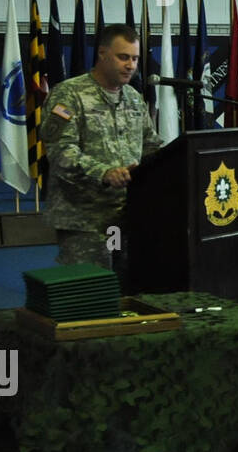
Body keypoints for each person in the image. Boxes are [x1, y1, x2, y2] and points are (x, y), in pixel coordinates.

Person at [38, 24, 160, 270]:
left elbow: (151, 145)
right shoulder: (69, 94)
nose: (131, 65)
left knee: (126, 289)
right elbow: (61, 151)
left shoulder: (134, 98)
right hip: (84, 219)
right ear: (102, 54)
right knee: (90, 293)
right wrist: (103, 173)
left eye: (135, 58)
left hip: (129, 213)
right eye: (123, 57)